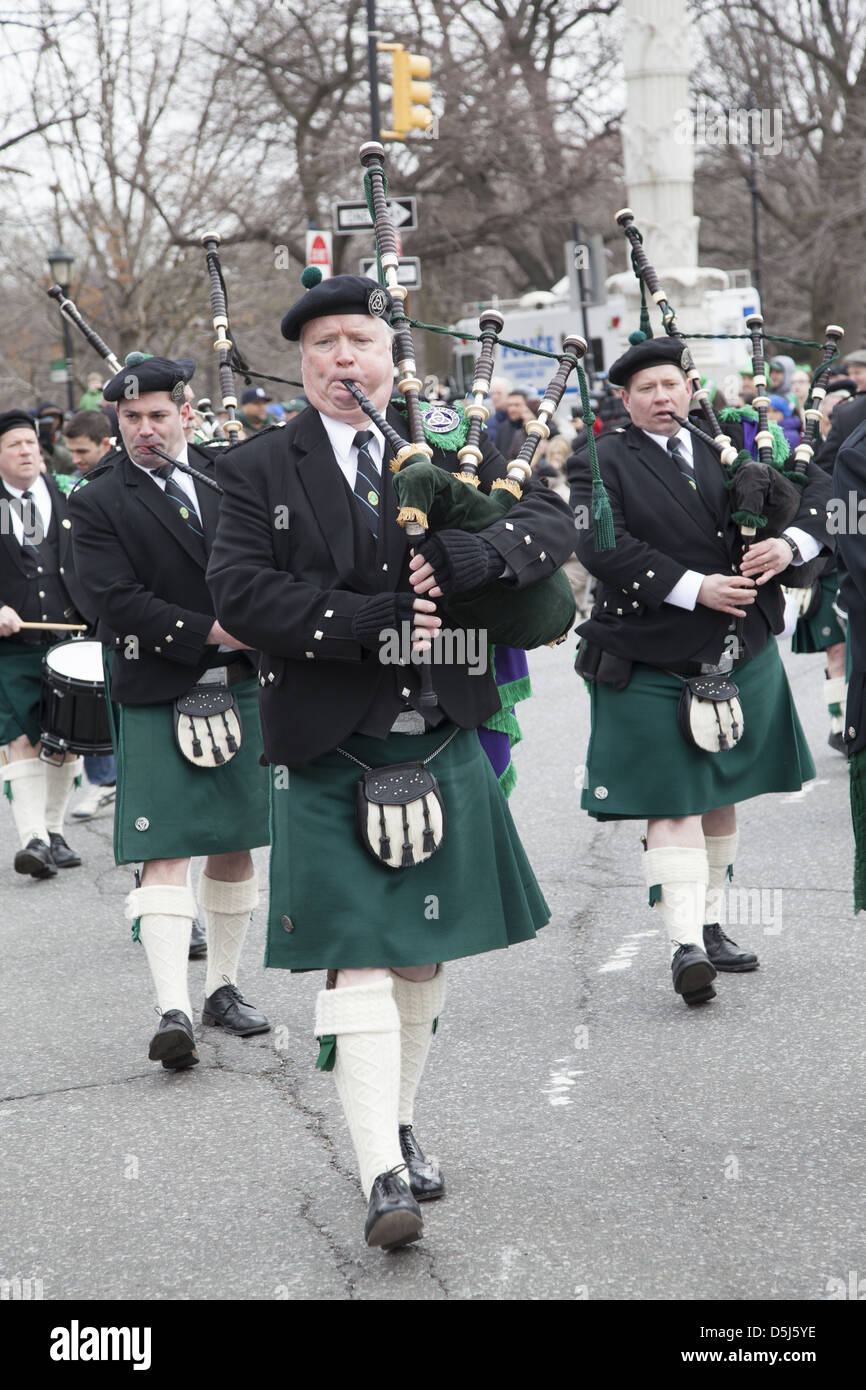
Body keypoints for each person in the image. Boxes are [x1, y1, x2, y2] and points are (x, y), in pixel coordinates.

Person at [206, 272, 574, 1250]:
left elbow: (549, 525)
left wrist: (474, 559)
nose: (341, 359)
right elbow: (240, 593)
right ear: (301, 362)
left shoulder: (445, 445)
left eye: (359, 341)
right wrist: (365, 622)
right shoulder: (254, 469)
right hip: (327, 740)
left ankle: (399, 1118)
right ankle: (378, 1172)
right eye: (322, 343)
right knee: (357, 954)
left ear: (390, 357)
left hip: (442, 731)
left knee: (417, 949)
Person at [567, 336, 831, 1007]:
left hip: (741, 647)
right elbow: (600, 544)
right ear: (623, 403)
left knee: (718, 790)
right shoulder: (597, 461)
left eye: (670, 385)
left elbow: (824, 497)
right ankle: (683, 942)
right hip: (649, 646)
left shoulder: (736, 441)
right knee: (672, 797)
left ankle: (711, 924)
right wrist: (693, 587)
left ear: (690, 388)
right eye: (645, 390)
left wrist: (787, 544)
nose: (661, 398)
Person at [69, 354, 271, 1070]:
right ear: (117, 423)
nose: (145, 430)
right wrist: (214, 631)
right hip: (158, 683)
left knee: (235, 838)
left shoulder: (232, 476)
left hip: (243, 681)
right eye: (131, 419)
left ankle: (222, 987)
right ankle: (172, 1008)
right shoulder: (96, 501)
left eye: (158, 415)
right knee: (164, 849)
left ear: (186, 413)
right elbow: (110, 601)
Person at [0, 411, 89, 877]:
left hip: (68, 637)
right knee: (22, 736)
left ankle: (53, 831)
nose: (26, 451)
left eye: (31, 443)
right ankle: (32, 838)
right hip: (12, 646)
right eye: (14, 444)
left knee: (69, 738)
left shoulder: (63, 493)